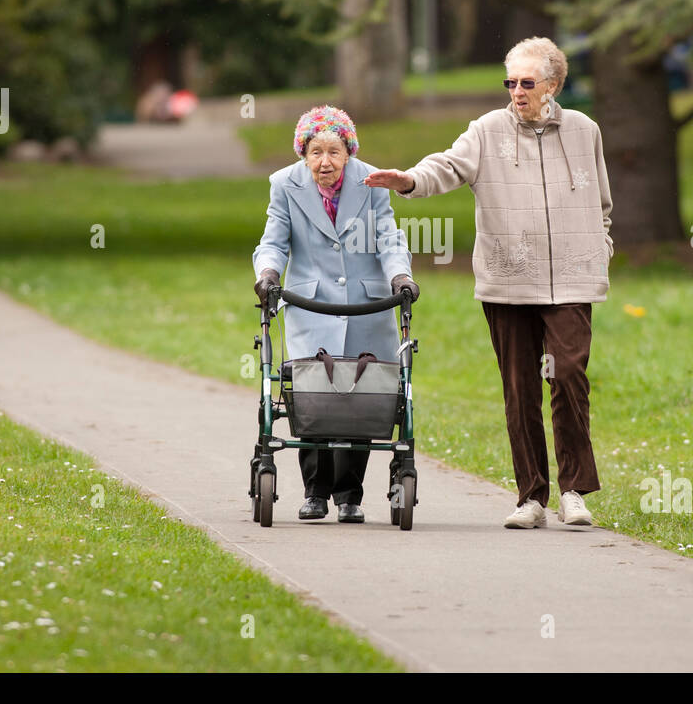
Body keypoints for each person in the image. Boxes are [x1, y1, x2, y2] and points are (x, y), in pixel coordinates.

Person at [365, 37, 610, 529]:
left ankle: (575, 491)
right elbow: (448, 166)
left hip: (572, 278)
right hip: (508, 281)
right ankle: (532, 498)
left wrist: (601, 247)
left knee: (567, 376)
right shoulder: (487, 130)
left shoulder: (584, 130)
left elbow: (602, 201)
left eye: (527, 83)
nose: (517, 92)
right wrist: (409, 180)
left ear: (554, 85)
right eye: (511, 83)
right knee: (520, 389)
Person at [253, 105, 418, 524]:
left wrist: (400, 277)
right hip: (311, 306)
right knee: (313, 397)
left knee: (359, 398)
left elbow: (388, 237)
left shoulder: (373, 181)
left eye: (334, 151)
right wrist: (268, 273)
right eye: (315, 152)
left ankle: (349, 495)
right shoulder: (283, 185)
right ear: (302, 153)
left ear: (349, 151)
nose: (325, 161)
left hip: (366, 305)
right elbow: (274, 239)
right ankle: (315, 492)